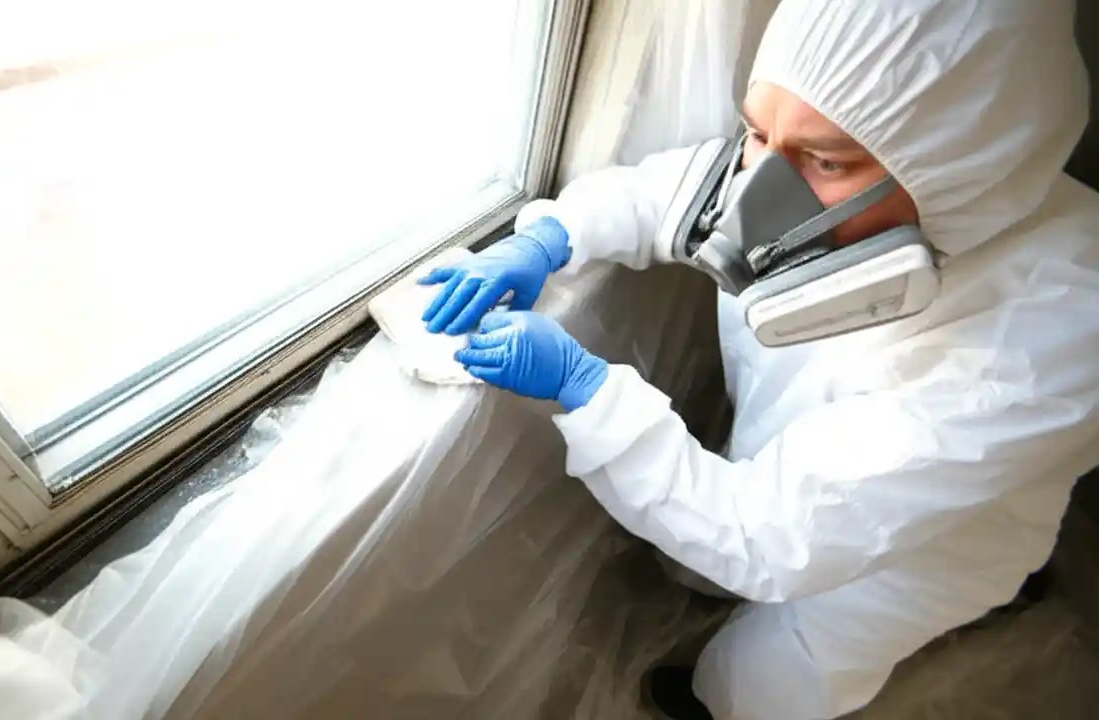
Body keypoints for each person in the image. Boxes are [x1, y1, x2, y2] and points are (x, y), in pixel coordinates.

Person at [420, 0, 1099, 718]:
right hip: (791, 465)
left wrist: (585, 389)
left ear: (956, 166)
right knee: (708, 555)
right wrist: (554, 235)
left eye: (825, 160)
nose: (758, 193)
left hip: (924, 552)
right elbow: (670, 192)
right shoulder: (846, 162)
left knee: (771, 674)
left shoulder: (1044, 345)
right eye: (758, 131)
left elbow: (772, 535)